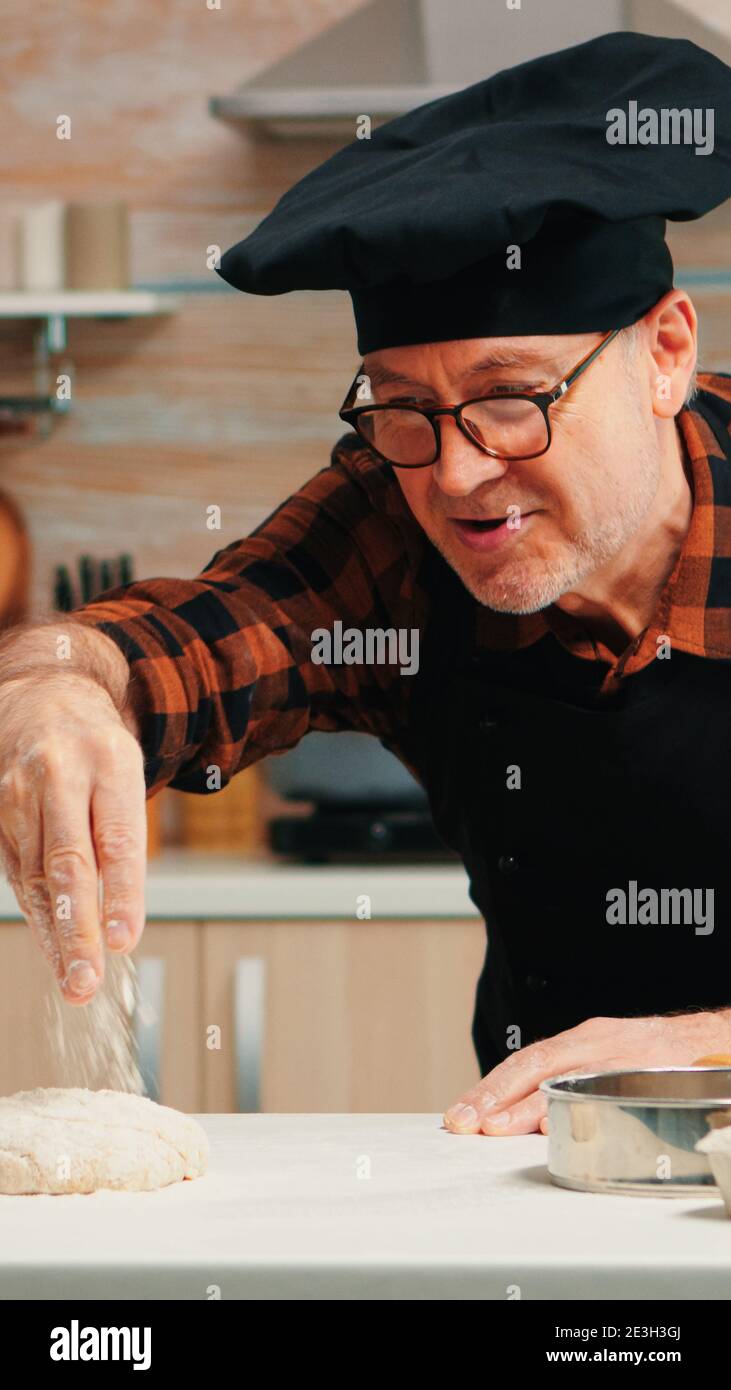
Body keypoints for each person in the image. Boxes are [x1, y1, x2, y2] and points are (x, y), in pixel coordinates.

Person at [1, 32, 730, 1136]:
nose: (458, 474)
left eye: (509, 398)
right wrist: (54, 683)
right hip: (537, 1178)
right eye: (401, 408)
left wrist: (696, 1049)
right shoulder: (395, 521)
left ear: (664, 352)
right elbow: (190, 640)